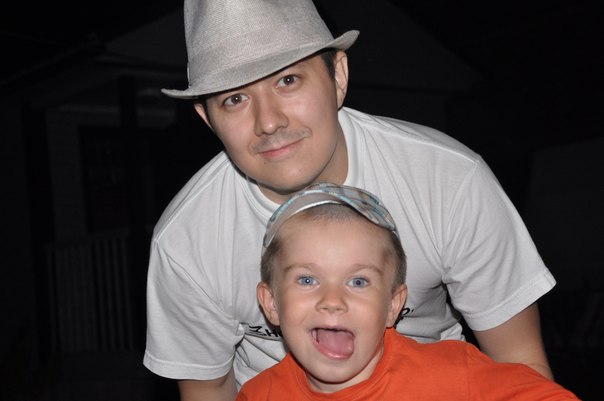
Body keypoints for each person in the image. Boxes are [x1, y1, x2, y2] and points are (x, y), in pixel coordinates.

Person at [144, 0, 556, 399]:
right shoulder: (186, 242)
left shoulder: (447, 179)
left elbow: (520, 363)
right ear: (207, 118)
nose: (268, 121)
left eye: (288, 80)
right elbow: (208, 391)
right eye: (235, 99)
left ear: (338, 76)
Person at [236, 182, 577, 400]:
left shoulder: (454, 373)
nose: (332, 301)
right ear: (271, 303)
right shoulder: (260, 393)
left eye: (358, 281)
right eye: (307, 280)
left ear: (393, 305)